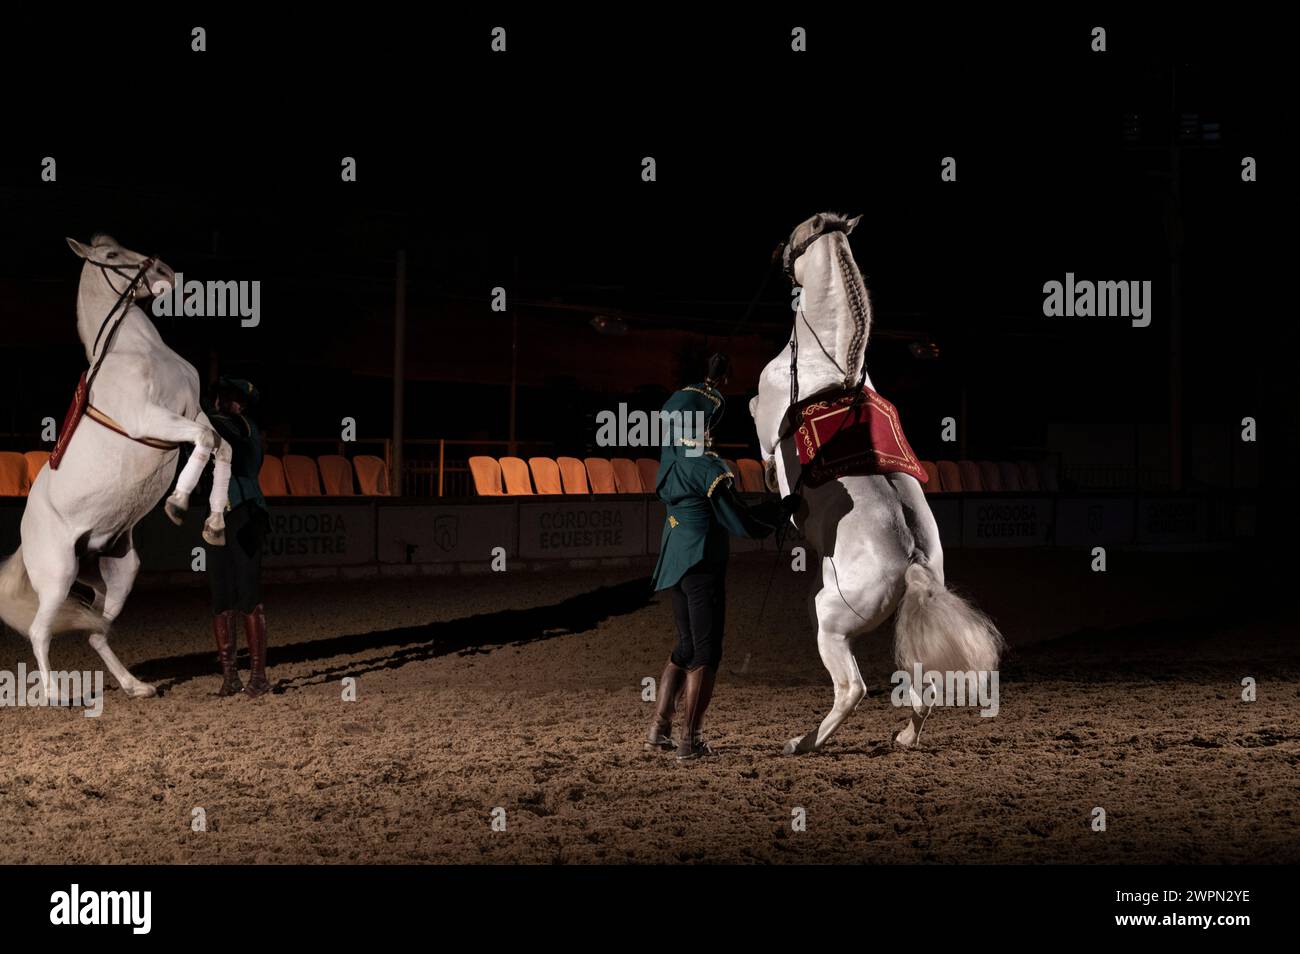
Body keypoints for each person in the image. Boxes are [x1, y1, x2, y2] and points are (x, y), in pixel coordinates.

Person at [646, 354, 798, 759]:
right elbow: (740, 522)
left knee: (684, 645)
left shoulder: (670, 460)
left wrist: (710, 381)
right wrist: (780, 514)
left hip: (673, 558)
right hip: (702, 562)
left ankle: (659, 728)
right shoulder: (709, 467)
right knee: (706, 652)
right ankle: (689, 741)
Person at [203, 376, 273, 697]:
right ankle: (230, 676)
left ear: (239, 403)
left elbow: (227, 439)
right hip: (220, 516)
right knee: (221, 596)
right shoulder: (217, 427)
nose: (220, 402)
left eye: (226, 397)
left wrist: (198, 415)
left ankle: (258, 675)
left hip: (246, 514)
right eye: (219, 396)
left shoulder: (242, 426)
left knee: (248, 593)